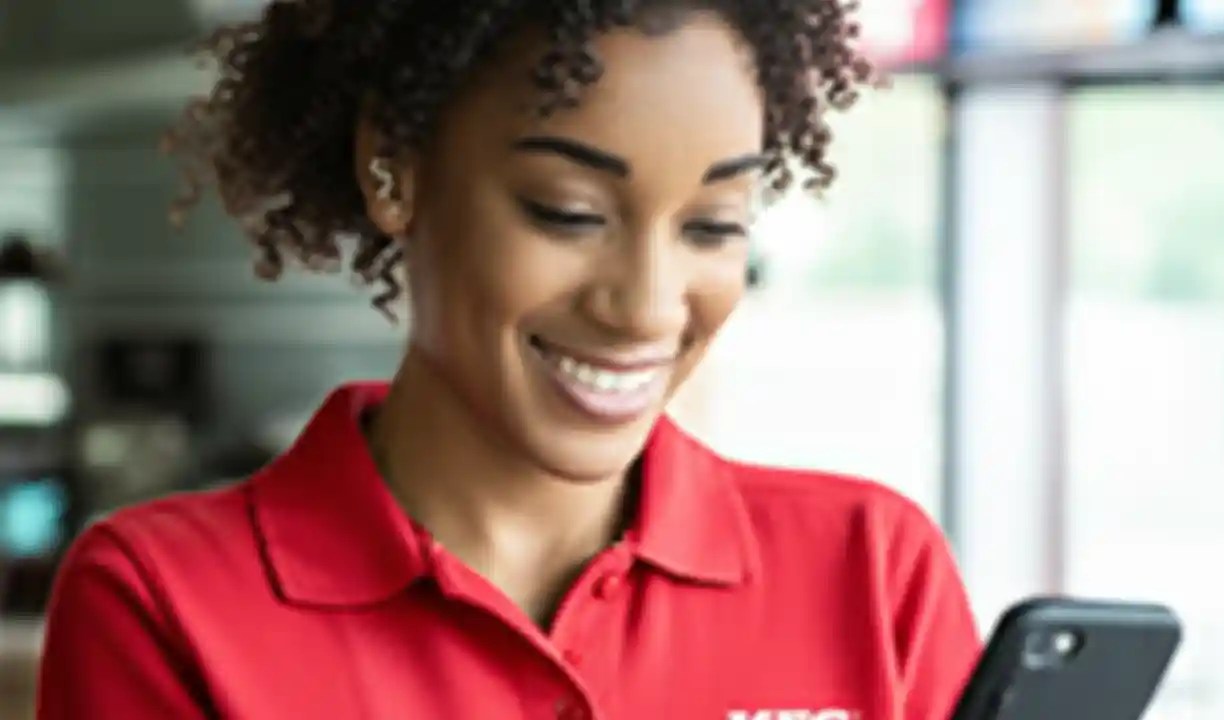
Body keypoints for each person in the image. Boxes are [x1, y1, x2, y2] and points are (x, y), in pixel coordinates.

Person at [37, 2, 981, 718]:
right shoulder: (162, 602)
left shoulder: (873, 569)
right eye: (568, 213)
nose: (645, 306)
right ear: (392, 168)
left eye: (712, 226)